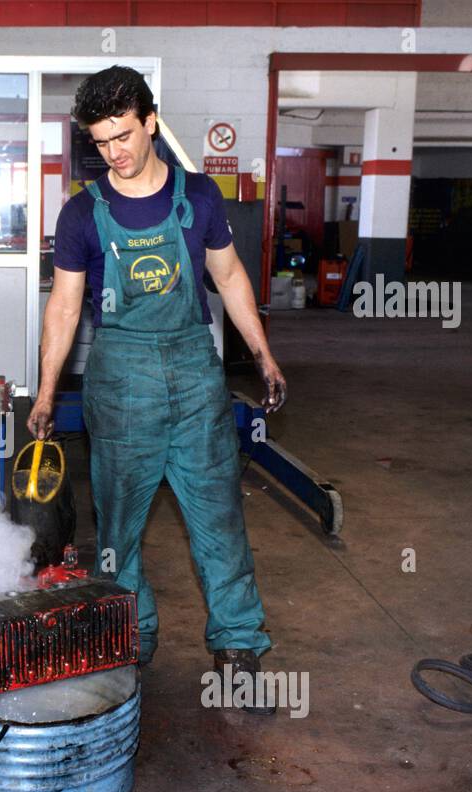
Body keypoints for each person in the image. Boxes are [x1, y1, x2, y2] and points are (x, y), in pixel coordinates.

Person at [27, 67, 286, 714]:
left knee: (219, 522)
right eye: (101, 140)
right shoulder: (83, 212)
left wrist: (263, 356)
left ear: (150, 122)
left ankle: (238, 648)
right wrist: (45, 390)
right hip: (120, 382)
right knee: (119, 531)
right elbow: (63, 307)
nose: (114, 150)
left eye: (123, 134)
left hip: (197, 379)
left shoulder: (199, 197)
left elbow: (228, 279)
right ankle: (129, 638)